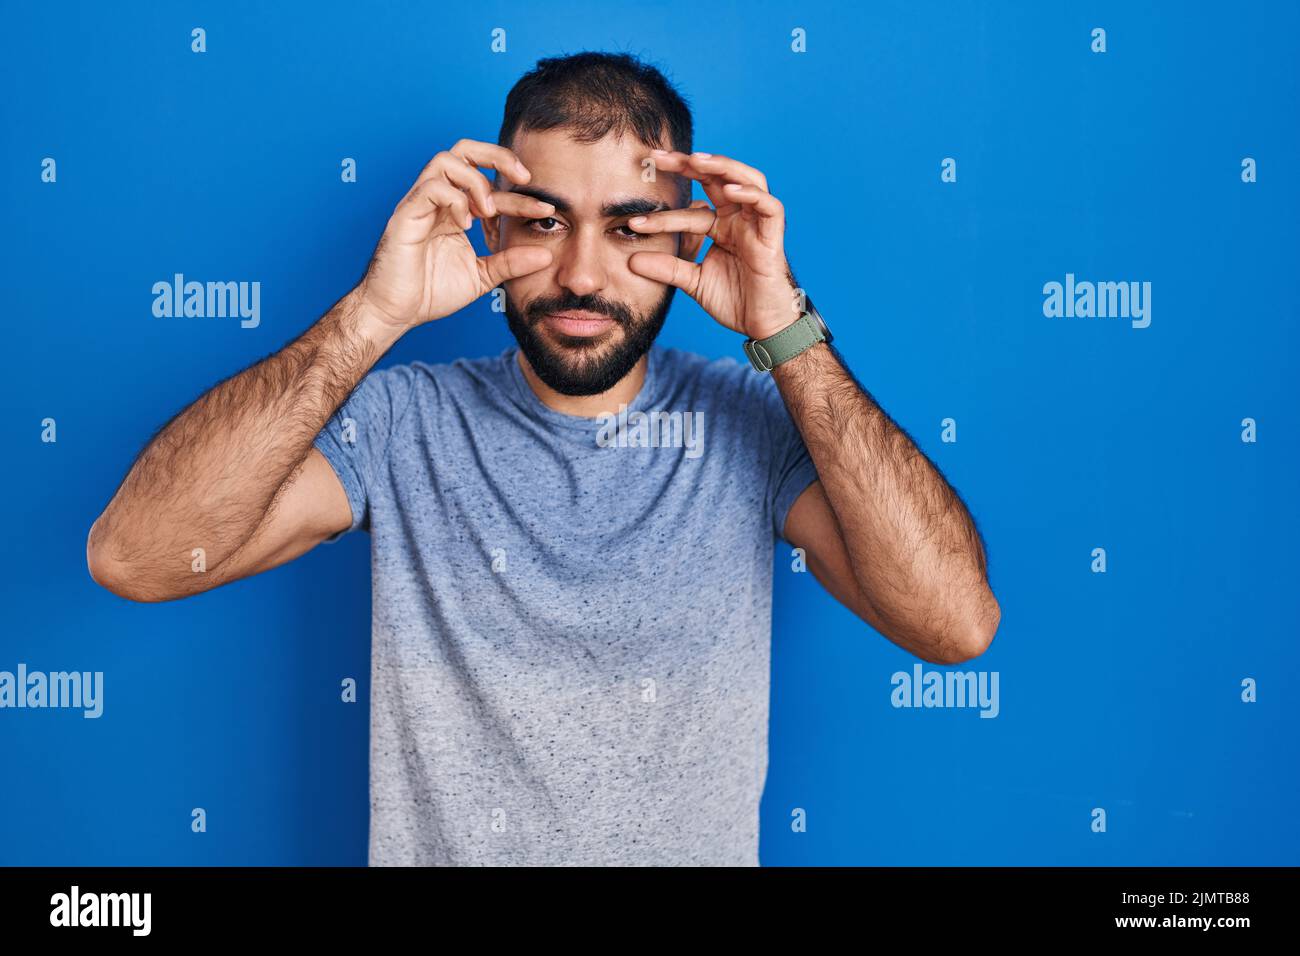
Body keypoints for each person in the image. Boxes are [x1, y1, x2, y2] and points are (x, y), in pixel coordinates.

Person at [87, 52, 999, 865]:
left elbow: (954, 627)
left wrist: (785, 328)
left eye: (631, 227)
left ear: (690, 236)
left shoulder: (751, 425)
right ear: (492, 228)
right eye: (546, 223)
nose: (582, 276)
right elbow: (136, 558)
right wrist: (375, 314)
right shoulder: (406, 424)